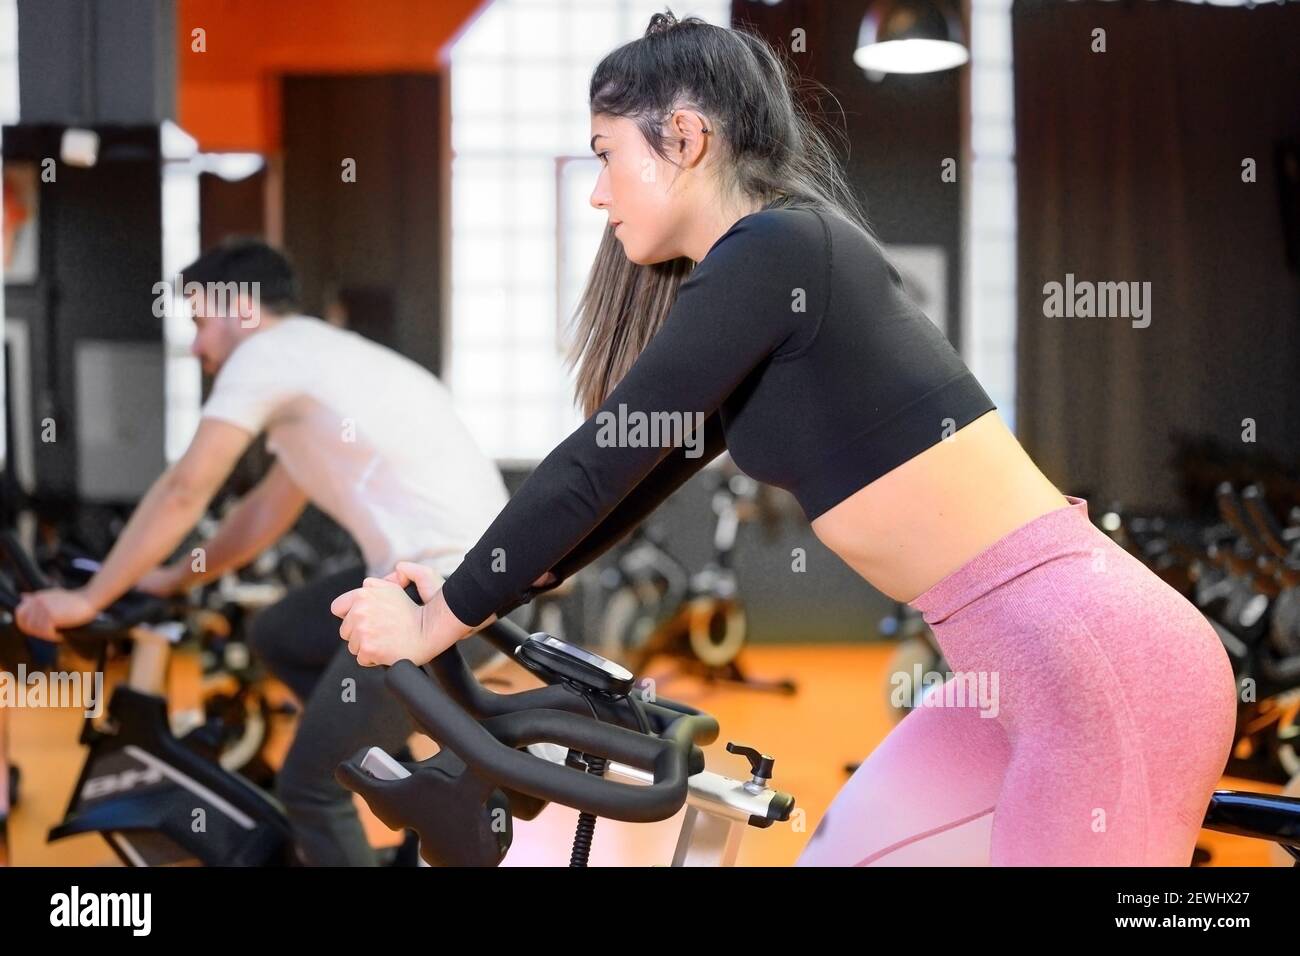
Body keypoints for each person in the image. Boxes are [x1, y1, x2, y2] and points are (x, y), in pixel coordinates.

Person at [331, 12, 1237, 866]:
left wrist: (435, 621)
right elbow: (618, 490)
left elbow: (591, 464)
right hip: (1005, 675)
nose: (600, 192)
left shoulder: (781, 250)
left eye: (609, 155)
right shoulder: (758, 282)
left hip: (1100, 667)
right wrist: (461, 600)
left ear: (685, 139)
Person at [15, 238, 509, 866]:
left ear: (241, 308)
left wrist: (88, 597)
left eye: (199, 321)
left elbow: (185, 488)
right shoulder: (314, 360)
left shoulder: (268, 354)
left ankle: (362, 766)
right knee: (280, 632)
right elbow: (265, 512)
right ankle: (391, 767)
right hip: (449, 574)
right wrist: (173, 578)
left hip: (441, 587)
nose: (196, 346)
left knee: (312, 786)